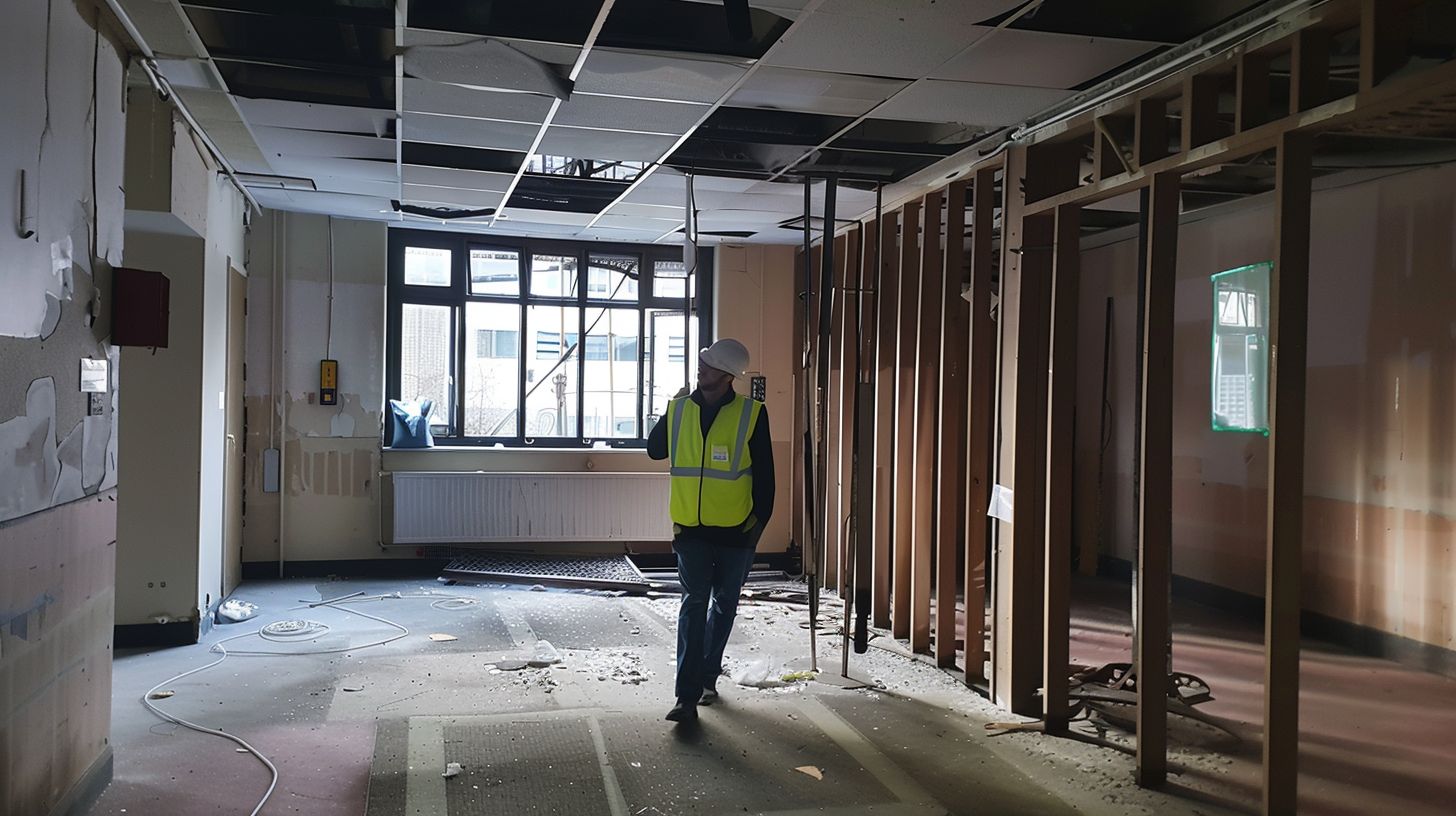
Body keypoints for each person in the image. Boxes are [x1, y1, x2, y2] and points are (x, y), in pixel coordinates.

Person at [647, 338, 774, 723]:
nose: (700, 368)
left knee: (725, 606)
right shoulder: (680, 409)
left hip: (737, 531)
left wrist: (755, 529)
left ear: (727, 376)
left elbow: (766, 479)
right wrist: (669, 410)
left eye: (708, 365)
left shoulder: (752, 414)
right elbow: (654, 450)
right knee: (693, 605)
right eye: (702, 362)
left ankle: (708, 674)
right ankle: (686, 697)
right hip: (691, 531)